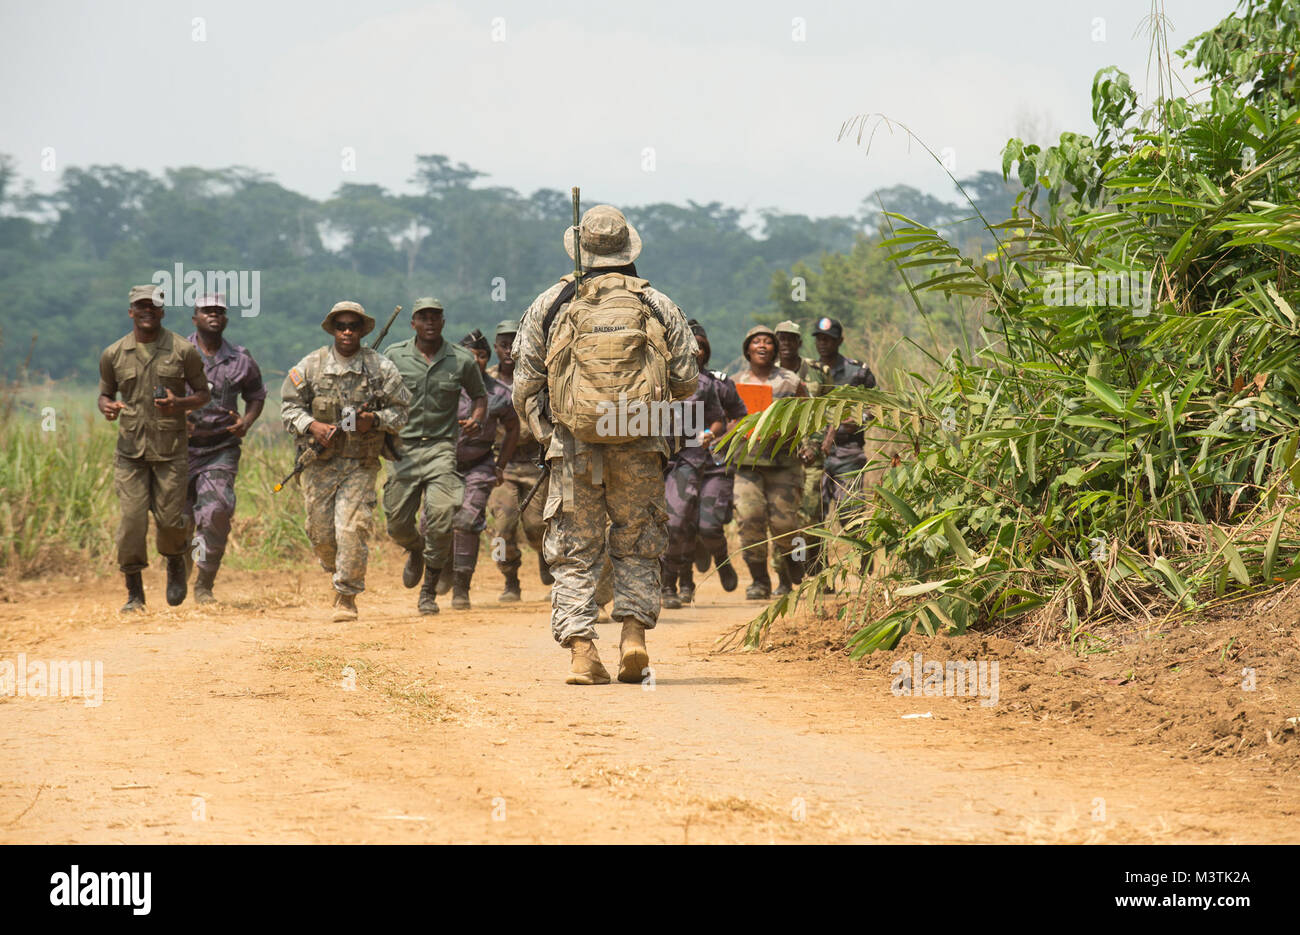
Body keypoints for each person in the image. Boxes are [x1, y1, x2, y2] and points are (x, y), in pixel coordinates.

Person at [512, 203, 699, 685]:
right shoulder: (656, 303)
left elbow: (524, 384)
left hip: (573, 448)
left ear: (581, 249)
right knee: (637, 543)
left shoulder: (551, 304)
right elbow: (686, 381)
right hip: (640, 442)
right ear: (626, 247)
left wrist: (549, 434)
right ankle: (633, 636)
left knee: (575, 549)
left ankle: (581, 650)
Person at [281, 301, 411, 621]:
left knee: (352, 528)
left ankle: (347, 595)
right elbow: (288, 408)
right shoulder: (311, 366)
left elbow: (403, 412)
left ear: (362, 330)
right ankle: (335, 568)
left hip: (360, 464)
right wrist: (312, 425)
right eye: (341, 326)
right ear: (333, 330)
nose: (348, 332)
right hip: (319, 464)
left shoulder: (381, 369)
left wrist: (375, 420)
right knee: (321, 533)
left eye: (353, 326)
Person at [98, 284, 210, 612]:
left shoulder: (182, 350)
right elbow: (105, 394)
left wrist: (180, 403)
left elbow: (203, 394)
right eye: (140, 306)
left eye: (154, 306)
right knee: (132, 522)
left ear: (162, 311)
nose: (147, 311)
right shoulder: (114, 354)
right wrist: (107, 406)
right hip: (130, 452)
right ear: (131, 311)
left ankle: (175, 560)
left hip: (171, 450)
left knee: (171, 521)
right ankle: (134, 593)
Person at [381, 298, 486, 615]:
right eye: (422, 317)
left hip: (442, 447)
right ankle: (414, 550)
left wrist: (477, 418)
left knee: (441, 519)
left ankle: (428, 591)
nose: (429, 322)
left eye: (435, 317)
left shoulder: (461, 360)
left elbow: (479, 395)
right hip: (403, 449)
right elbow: (377, 392)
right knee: (396, 523)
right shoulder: (394, 356)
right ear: (412, 323)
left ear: (443, 322)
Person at [183, 293, 266, 604]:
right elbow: (156, 392)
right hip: (179, 450)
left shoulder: (240, 359)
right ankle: (185, 563)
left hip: (221, 448)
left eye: (219, 312)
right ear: (195, 318)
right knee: (179, 522)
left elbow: (256, 394)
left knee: (215, 512)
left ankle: (204, 583)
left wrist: (246, 421)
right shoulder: (178, 354)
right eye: (207, 311)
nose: (213, 316)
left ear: (226, 319)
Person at [661, 319, 744, 607]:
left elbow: (734, 417)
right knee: (678, 523)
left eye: (700, 346)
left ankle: (721, 559)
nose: (695, 352)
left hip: (714, 464)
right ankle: (676, 584)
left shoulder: (716, 383)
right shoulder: (661, 381)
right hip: (673, 462)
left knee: (706, 526)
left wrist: (716, 436)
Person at [732, 324, 812, 600]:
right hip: (747, 464)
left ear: (775, 349)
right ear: (747, 349)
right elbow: (727, 418)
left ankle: (788, 578)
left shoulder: (790, 381)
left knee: (784, 525)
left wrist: (793, 433)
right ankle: (759, 581)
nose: (762, 346)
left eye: (768, 342)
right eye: (756, 342)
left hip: (783, 464)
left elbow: (809, 416)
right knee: (749, 519)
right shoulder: (735, 382)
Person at [443, 329, 519, 610]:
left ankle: (461, 588)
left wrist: (500, 465)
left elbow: (513, 428)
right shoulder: (444, 388)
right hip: (443, 468)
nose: (476, 360)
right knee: (434, 524)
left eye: (482, 355)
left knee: (466, 522)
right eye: (469, 355)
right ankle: (441, 569)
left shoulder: (499, 393)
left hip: (479, 465)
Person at [485, 319, 552, 601]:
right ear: (495, 347)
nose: (509, 350)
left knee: (538, 526)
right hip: (503, 465)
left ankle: (543, 555)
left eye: (515, 343)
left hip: (536, 464)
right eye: (503, 344)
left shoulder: (540, 378)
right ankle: (510, 580)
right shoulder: (485, 381)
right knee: (502, 529)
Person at [812, 317, 877, 536]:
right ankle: (816, 568)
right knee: (813, 515)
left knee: (851, 513)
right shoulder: (809, 372)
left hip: (848, 451)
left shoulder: (857, 372)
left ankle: (863, 564)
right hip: (815, 451)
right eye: (819, 339)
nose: (823, 344)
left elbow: (878, 406)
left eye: (828, 339)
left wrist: (862, 419)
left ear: (840, 341)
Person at [776, 319, 829, 577]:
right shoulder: (769, 374)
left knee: (810, 515)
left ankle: (816, 568)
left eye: (790, 339)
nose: (785, 343)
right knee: (782, 515)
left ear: (799, 342)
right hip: (781, 457)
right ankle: (784, 574)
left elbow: (828, 411)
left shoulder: (816, 371)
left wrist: (819, 445)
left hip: (811, 455)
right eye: (781, 339)